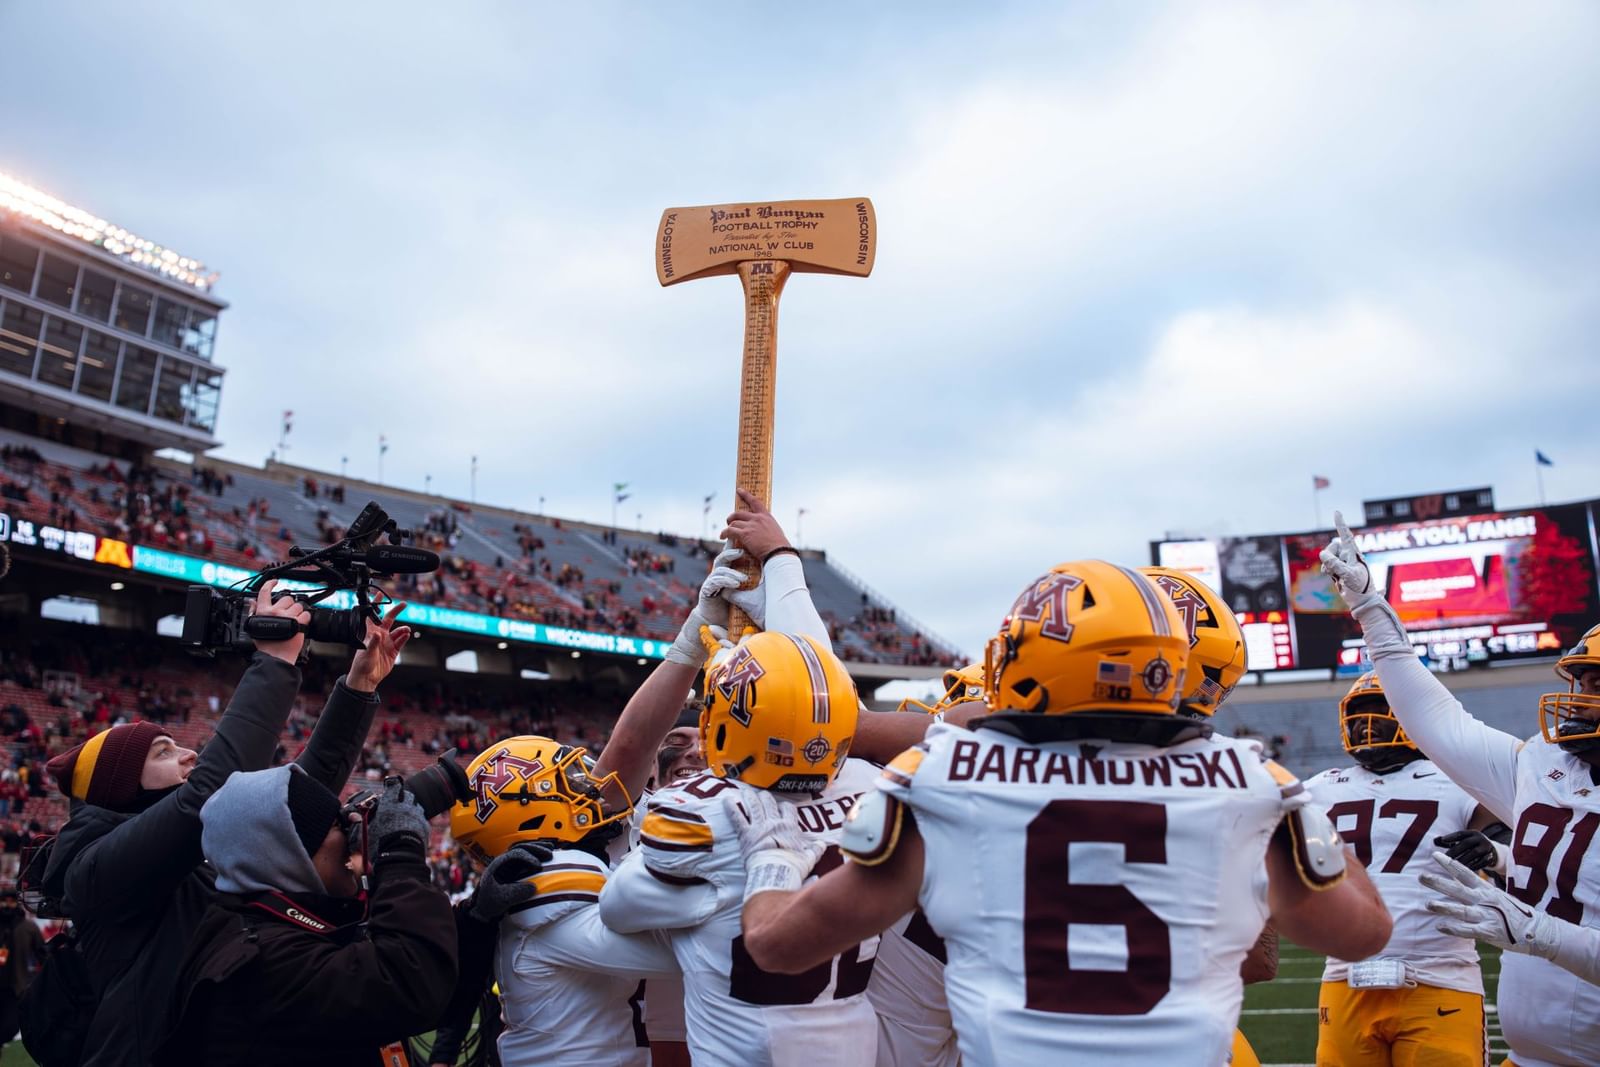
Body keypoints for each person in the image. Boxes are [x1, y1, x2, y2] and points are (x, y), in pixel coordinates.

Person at [734, 561, 1393, 1066]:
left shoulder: (947, 774)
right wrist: (1307, 819)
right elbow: (1361, 935)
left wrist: (773, 855)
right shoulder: (1248, 781)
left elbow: (779, 947)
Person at [33, 586, 410, 1067]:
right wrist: (274, 663)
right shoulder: (93, 868)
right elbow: (201, 800)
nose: (188, 753)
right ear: (121, 785)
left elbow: (296, 797)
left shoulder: (188, 849)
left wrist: (358, 688)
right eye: (164, 752)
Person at [1323, 515, 1600, 1067]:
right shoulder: (1546, 765)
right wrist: (1370, 606)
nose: (1580, 700)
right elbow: (1437, 720)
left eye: (1599, 685)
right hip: (1530, 1057)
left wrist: (1538, 932)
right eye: (1585, 683)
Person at [598, 626, 879, 1067]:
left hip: (748, 1050)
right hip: (853, 1045)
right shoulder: (872, 786)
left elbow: (616, 907)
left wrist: (711, 899)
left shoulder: (703, 809)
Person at [155, 768, 455, 1065]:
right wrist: (399, 853)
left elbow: (436, 975)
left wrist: (475, 916)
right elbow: (412, 985)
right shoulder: (262, 962)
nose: (350, 830)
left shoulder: (267, 926)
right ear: (288, 856)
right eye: (337, 824)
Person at [1305, 671, 1509, 1067]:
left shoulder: (1460, 781)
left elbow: (1525, 860)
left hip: (1440, 976)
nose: (1365, 723)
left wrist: (1494, 854)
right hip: (1345, 977)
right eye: (1359, 712)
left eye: (1380, 710)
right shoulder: (1318, 788)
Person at [448, 735, 679, 1067]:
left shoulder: (527, 882)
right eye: (570, 783)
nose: (589, 791)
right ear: (533, 808)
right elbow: (681, 953)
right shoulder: (548, 881)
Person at [0, 884, 43, 1058]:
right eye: (4, 901)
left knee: (10, 1028)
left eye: (11, 901)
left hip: (15, 988)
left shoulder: (28, 927)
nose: (7, 904)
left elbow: (42, 954)